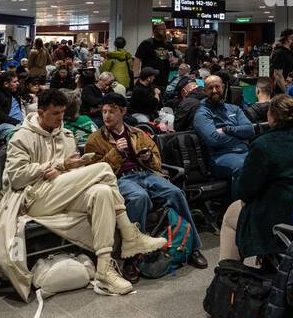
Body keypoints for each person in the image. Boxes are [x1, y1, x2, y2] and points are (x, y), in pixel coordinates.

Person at [0, 90, 168, 300]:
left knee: (102, 192)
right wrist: (57, 165)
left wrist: (66, 169)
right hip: (33, 199)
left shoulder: (65, 135)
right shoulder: (21, 137)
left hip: (60, 192)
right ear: (40, 112)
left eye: (63, 113)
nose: (61, 118)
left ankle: (104, 269)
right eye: (55, 113)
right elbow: (17, 178)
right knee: (103, 169)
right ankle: (130, 234)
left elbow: (70, 173)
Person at [84, 93, 206, 268]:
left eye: (111, 111)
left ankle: (193, 247)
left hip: (145, 173)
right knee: (139, 197)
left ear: (123, 111)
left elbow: (157, 163)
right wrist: (116, 153)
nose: (106, 116)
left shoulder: (138, 133)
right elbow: (94, 172)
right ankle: (132, 256)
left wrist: (148, 157)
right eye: (104, 112)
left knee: (176, 193)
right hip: (121, 178)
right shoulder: (95, 140)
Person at [220, 94, 293, 266]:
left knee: (231, 215)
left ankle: (228, 277)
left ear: (271, 115)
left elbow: (246, 192)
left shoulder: (263, 145)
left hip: (281, 216)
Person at [192, 75, 254, 180]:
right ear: (204, 90)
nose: (214, 90)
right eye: (210, 88)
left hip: (244, 152)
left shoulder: (234, 109)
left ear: (223, 87)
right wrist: (241, 139)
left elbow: (250, 130)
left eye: (217, 87)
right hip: (220, 157)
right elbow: (213, 139)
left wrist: (227, 129)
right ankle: (240, 197)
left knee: (268, 163)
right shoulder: (202, 113)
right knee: (243, 167)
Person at [136, 22, 174, 88]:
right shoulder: (146, 43)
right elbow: (137, 59)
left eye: (163, 28)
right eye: (160, 28)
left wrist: (175, 60)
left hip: (163, 80)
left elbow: (174, 58)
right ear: (154, 30)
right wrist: (135, 77)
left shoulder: (168, 44)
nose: (162, 30)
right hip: (148, 80)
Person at [0, 71, 24, 142]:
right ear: (6, 84)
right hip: (4, 125)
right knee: (19, 137)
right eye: (15, 82)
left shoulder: (15, 92)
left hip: (20, 124)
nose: (18, 83)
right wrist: (19, 123)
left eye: (17, 81)